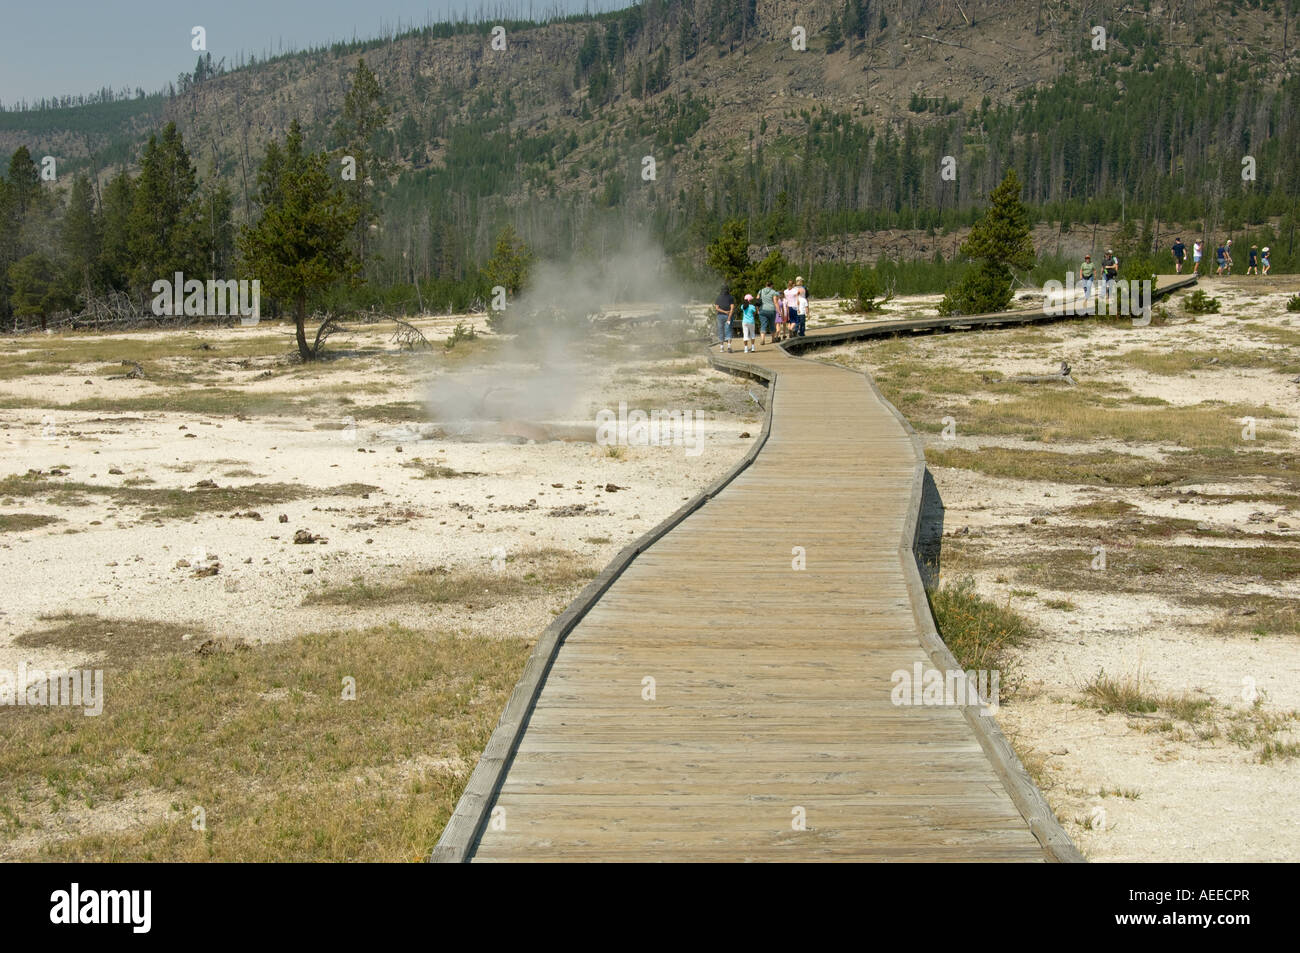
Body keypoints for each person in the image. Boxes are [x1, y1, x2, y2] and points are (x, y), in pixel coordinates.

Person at [713, 284, 734, 352]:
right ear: (728, 290)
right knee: (729, 330)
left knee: (720, 330)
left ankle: (721, 348)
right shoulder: (731, 297)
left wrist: (724, 312)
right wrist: (729, 316)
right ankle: (729, 346)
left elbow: (717, 308)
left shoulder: (718, 297)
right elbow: (732, 308)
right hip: (728, 316)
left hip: (720, 316)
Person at [757, 281, 778, 346]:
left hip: (762, 309)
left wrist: (757, 310)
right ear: (771, 285)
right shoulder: (773, 292)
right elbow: (775, 302)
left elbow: (757, 300)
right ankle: (773, 339)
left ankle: (762, 339)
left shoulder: (760, 291)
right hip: (771, 310)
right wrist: (779, 311)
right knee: (772, 324)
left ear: (766, 285)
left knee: (763, 324)